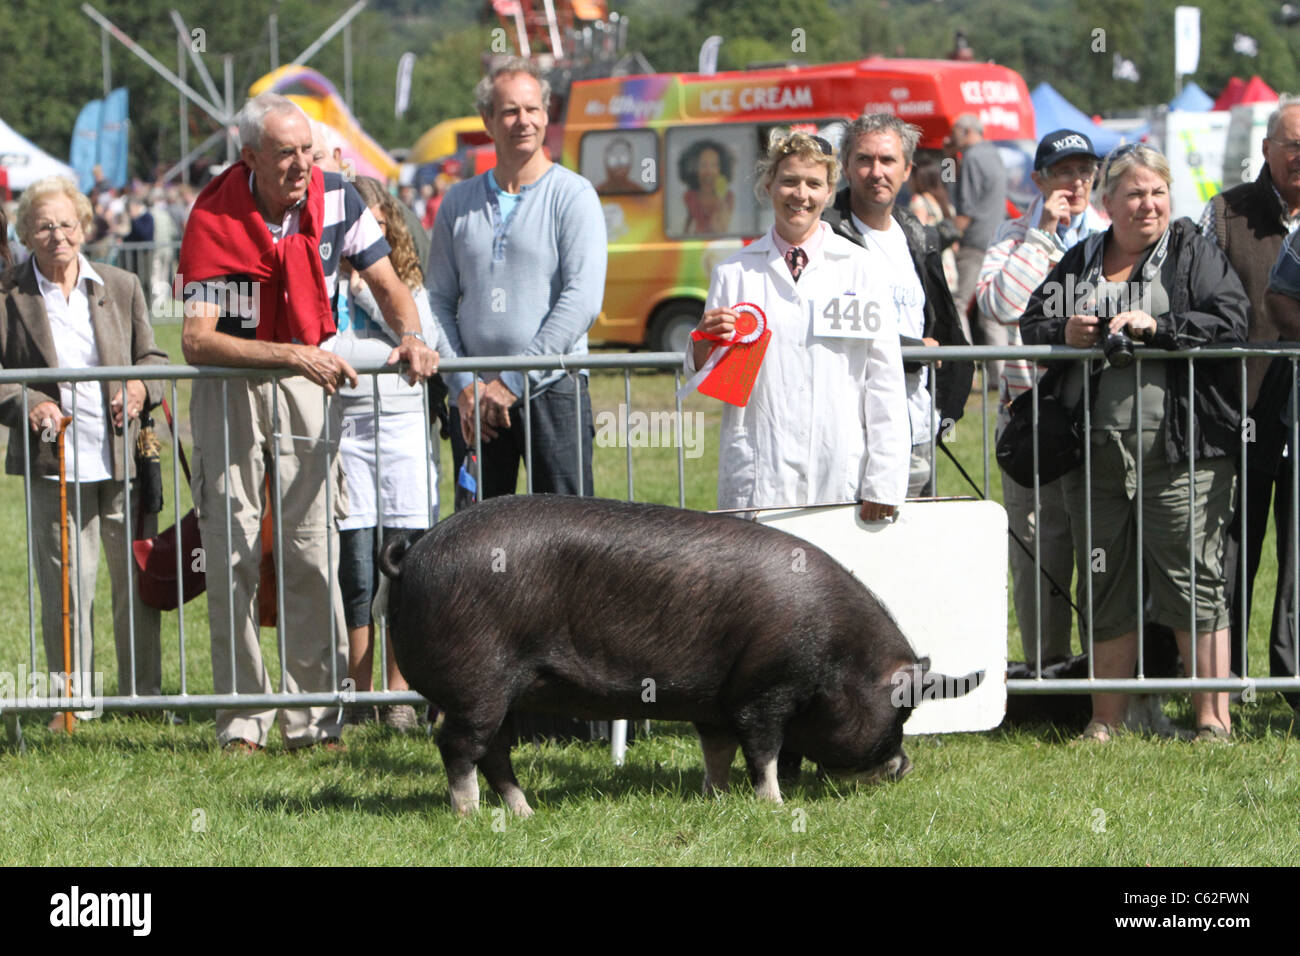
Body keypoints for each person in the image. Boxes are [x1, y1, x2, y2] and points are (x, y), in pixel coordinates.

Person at [178, 92, 438, 753]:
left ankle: (313, 718)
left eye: (306, 150)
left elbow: (389, 282)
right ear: (250, 158)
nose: (301, 165)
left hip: (304, 382)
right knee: (232, 549)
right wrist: (292, 351)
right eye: (286, 154)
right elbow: (198, 342)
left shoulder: (341, 198)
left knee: (311, 549)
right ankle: (241, 721)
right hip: (232, 385)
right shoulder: (214, 212)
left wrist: (410, 334)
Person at [1020, 144, 1249, 742]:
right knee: (1105, 580)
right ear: (1107, 202)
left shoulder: (1193, 254)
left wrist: (1160, 327)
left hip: (1181, 454)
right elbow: (1031, 321)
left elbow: (1231, 318)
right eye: (1133, 194)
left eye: (1157, 192)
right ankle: (1105, 721)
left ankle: (1211, 720)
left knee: (1191, 577)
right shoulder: (1083, 258)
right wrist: (1064, 328)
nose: (1148, 205)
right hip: (1096, 456)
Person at [0, 175, 168, 730]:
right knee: (67, 587)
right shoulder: (8, 295)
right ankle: (70, 703)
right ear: (25, 233)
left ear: (85, 227)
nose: (57, 235)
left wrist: (141, 388)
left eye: (67, 224)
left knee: (134, 587)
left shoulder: (119, 284)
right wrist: (28, 404)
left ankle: (142, 697)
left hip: (122, 462)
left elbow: (155, 359)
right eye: (43, 226)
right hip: (56, 464)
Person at [687, 129, 910, 520]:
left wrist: (884, 481)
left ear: (829, 191)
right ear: (769, 185)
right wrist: (702, 345)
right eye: (789, 181)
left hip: (839, 470)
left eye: (813, 184)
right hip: (759, 471)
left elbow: (885, 382)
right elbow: (713, 381)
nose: (800, 195)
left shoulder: (863, 269)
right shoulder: (733, 273)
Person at [427, 57, 606, 504]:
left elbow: (581, 299)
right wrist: (464, 384)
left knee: (566, 535)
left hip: (553, 391)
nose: (522, 121)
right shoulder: (457, 202)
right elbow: (437, 300)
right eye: (509, 111)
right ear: (488, 120)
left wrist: (512, 381)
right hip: (474, 400)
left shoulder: (574, 195)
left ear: (547, 116)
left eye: (532, 109)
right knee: (479, 538)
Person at [976, 128, 1106, 668]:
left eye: (1083, 171)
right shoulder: (1013, 235)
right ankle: (1046, 667)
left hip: (1095, 415)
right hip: (1031, 419)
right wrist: (1042, 236)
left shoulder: (1108, 233)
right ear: (1039, 180)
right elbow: (1001, 306)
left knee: (1099, 546)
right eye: (1062, 172)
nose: (1075, 183)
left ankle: (1102, 670)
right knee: (1039, 549)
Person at [333, 177, 447, 731]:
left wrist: (365, 288)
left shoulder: (408, 287)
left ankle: (399, 695)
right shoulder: (324, 283)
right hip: (344, 437)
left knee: (401, 566)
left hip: (401, 438)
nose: (362, 246)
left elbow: (427, 343)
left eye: (374, 231)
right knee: (355, 567)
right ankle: (357, 694)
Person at [1200, 95, 1300, 706]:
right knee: (1235, 548)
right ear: (1265, 148)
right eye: (1291, 144)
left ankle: (1291, 681)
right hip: (1241, 412)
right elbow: (1209, 303)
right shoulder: (1227, 214)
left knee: (1298, 555)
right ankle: (1230, 681)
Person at [822, 113, 972, 498]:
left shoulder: (919, 237)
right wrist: (912, 349)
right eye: (864, 159)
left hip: (915, 426)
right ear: (845, 167)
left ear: (907, 169)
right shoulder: (825, 236)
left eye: (887, 160)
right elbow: (832, 326)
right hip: (852, 430)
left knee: (914, 550)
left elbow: (943, 328)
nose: (876, 172)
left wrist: (944, 410)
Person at [949, 113, 1007, 381]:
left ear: (967, 131)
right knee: (990, 310)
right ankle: (1001, 374)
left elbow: (960, 201)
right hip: (995, 239)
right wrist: (950, 158)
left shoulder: (971, 157)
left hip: (973, 241)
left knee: (958, 303)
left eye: (955, 133)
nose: (952, 138)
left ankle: (965, 368)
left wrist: (953, 236)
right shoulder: (994, 154)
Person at [908, 153, 960, 297]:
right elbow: (955, 245)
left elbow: (918, 238)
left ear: (918, 179)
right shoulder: (946, 205)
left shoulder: (919, 201)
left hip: (931, 272)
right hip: (949, 269)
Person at [680, 139, 735, 235]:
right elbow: (687, 225)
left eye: (714, 165)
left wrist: (721, 197)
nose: (709, 171)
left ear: (721, 169)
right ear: (695, 169)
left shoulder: (727, 196)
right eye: (703, 165)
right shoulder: (689, 196)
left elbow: (723, 227)